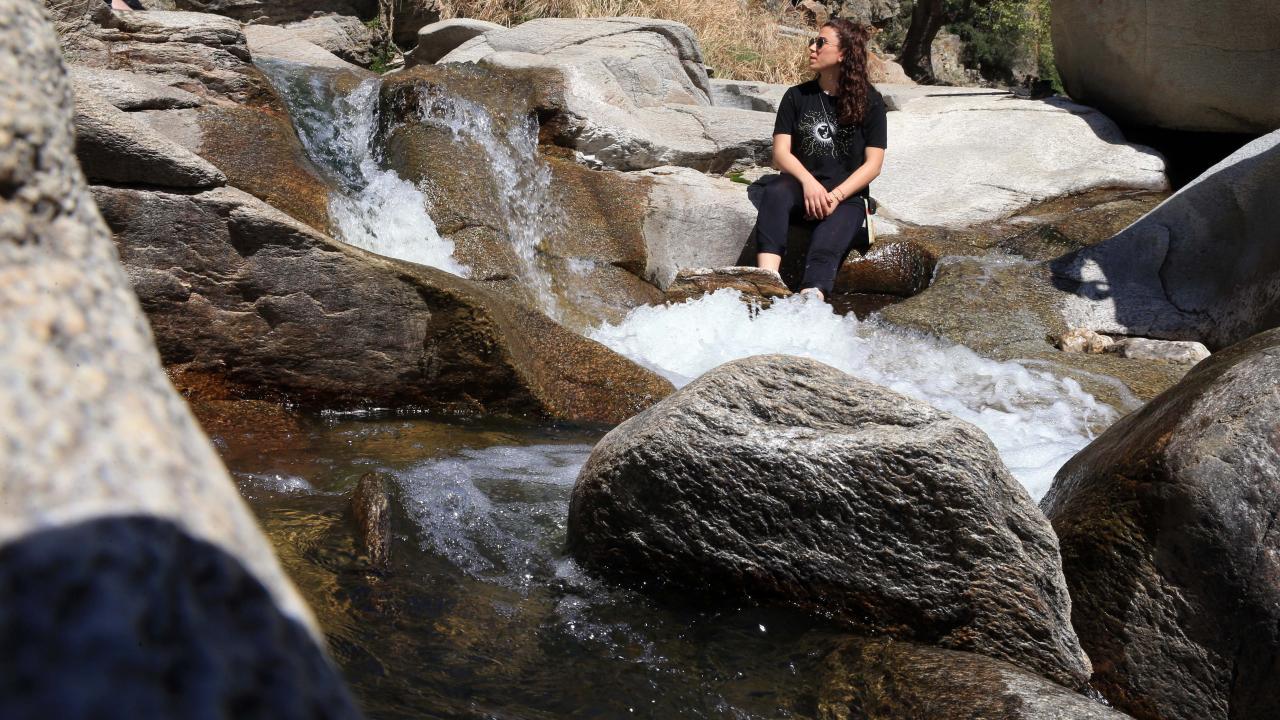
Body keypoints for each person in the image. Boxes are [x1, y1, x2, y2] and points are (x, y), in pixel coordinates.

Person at [756, 18, 887, 301]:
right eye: (813, 41)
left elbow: (873, 164)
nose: (812, 48)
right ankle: (765, 283)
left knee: (825, 249)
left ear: (843, 54)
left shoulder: (871, 102)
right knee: (775, 192)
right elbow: (780, 154)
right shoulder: (796, 96)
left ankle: (810, 302)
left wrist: (835, 196)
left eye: (821, 42)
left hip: (846, 199)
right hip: (799, 190)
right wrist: (809, 183)